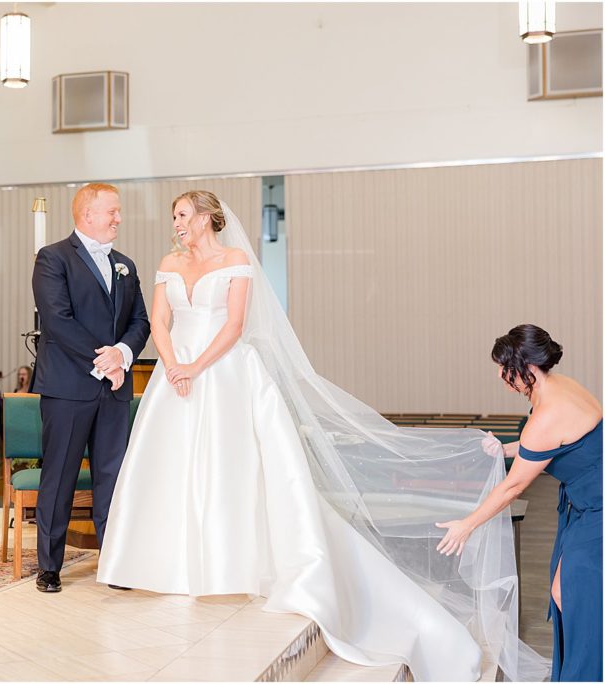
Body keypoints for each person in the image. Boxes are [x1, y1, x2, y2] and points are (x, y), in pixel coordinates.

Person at [97, 191, 547, 681]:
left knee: (228, 469)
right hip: (175, 374)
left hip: (222, 373)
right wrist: (173, 366)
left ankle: (231, 565)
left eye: (183, 215)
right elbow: (159, 320)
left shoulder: (236, 260)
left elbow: (233, 326)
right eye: (174, 217)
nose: (177, 224)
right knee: (169, 468)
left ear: (207, 218)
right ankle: (170, 565)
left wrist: (196, 366)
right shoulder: (168, 262)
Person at [437, 325, 602, 682]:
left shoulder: (547, 413)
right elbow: (555, 445)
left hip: (599, 509)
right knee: (569, 593)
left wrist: (467, 524)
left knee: (576, 595)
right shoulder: (560, 386)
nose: (500, 375)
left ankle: (585, 674)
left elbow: (513, 487)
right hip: (587, 504)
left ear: (525, 365)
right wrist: (508, 449)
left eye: (504, 367)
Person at [30, 182, 150, 593]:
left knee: (112, 477)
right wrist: (104, 361)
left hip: (115, 388)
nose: (119, 218)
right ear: (87, 214)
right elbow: (57, 320)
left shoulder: (126, 265)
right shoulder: (53, 258)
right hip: (68, 387)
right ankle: (49, 566)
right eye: (112, 211)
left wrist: (123, 354)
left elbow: (141, 323)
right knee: (59, 476)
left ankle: (115, 563)